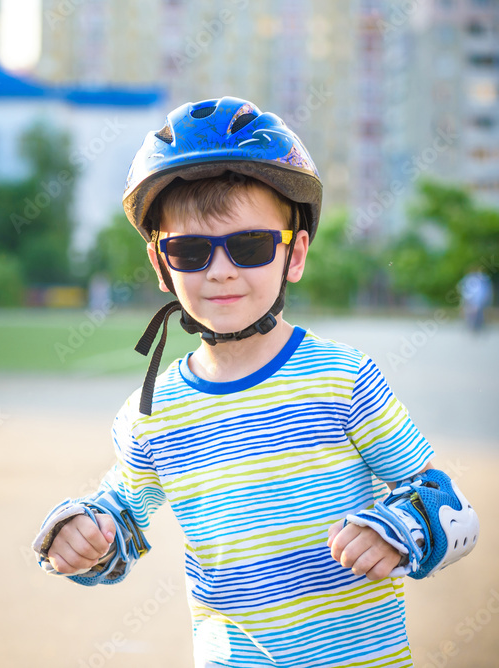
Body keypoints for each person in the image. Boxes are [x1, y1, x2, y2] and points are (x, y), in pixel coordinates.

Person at [31, 97, 479, 668]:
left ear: (294, 255)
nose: (220, 269)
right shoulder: (154, 411)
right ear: (161, 264)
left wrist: (402, 525)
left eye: (248, 246)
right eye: (190, 251)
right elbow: (121, 521)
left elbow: (453, 509)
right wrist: (85, 536)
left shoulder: (343, 380)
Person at [457, 265, 492, 334]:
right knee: (472, 314)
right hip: (473, 300)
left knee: (476, 314)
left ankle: (475, 327)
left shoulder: (481, 279)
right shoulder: (472, 279)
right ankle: (472, 327)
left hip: (476, 300)